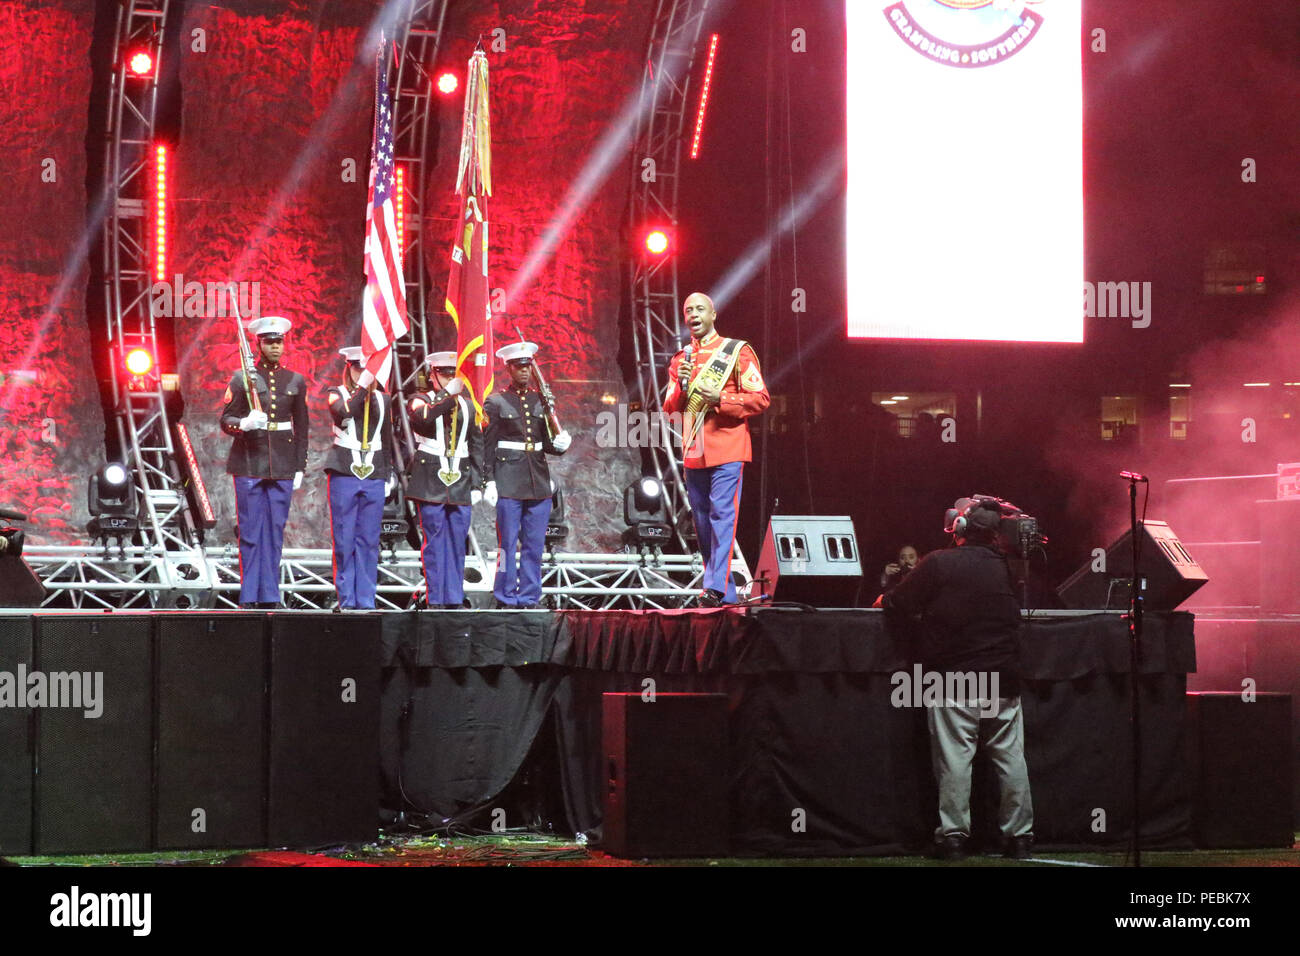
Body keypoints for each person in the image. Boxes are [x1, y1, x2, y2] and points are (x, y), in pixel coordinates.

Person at [876, 497, 1034, 860]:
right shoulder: (1008, 567)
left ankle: (953, 839)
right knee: (1010, 759)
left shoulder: (938, 563)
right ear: (995, 534)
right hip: (1003, 678)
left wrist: (886, 599)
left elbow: (898, 604)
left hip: (955, 680)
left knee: (954, 760)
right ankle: (1020, 838)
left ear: (960, 529)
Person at [663, 291, 769, 606]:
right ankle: (725, 592)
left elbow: (760, 398)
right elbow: (670, 411)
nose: (693, 315)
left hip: (728, 446)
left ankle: (715, 587)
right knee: (702, 521)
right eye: (687, 311)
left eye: (699, 309)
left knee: (722, 514)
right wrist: (682, 387)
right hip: (694, 448)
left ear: (713, 314)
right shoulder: (680, 361)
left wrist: (720, 399)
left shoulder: (736, 352)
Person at [220, 315, 309, 608]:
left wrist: (299, 465)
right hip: (249, 462)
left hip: (282, 463)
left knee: (274, 532)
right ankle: (250, 595)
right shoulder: (242, 378)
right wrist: (244, 423)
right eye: (269, 342)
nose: (275, 347)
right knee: (250, 532)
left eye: (279, 342)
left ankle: (270, 595)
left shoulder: (295, 380)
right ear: (258, 343)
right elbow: (226, 420)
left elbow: (302, 427)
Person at [482, 341, 571, 608]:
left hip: (537, 482)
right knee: (507, 545)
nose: (524, 371)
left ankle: (530, 596)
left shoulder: (539, 400)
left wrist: (560, 445)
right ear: (508, 368)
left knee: (534, 545)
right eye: (519, 366)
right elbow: (487, 445)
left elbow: (545, 442)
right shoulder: (496, 402)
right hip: (508, 481)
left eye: (528, 366)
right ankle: (505, 596)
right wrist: (489, 480)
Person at [406, 351, 484, 609]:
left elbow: (476, 444)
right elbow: (423, 419)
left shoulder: (469, 404)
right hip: (430, 478)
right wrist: (445, 394)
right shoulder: (419, 399)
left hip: (460, 478)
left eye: (454, 373)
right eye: (444, 373)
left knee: (457, 541)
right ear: (433, 375)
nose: (450, 378)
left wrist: (477, 482)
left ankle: (453, 597)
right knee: (434, 541)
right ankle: (436, 598)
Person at [323, 347, 395, 609]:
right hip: (344, 471)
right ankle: (347, 599)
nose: (362, 373)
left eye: (367, 369)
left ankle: (366, 600)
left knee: (369, 539)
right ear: (349, 369)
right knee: (344, 538)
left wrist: (387, 474)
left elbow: (387, 439)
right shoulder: (336, 394)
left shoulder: (383, 399)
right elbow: (344, 413)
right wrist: (362, 388)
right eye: (357, 368)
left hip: (374, 472)